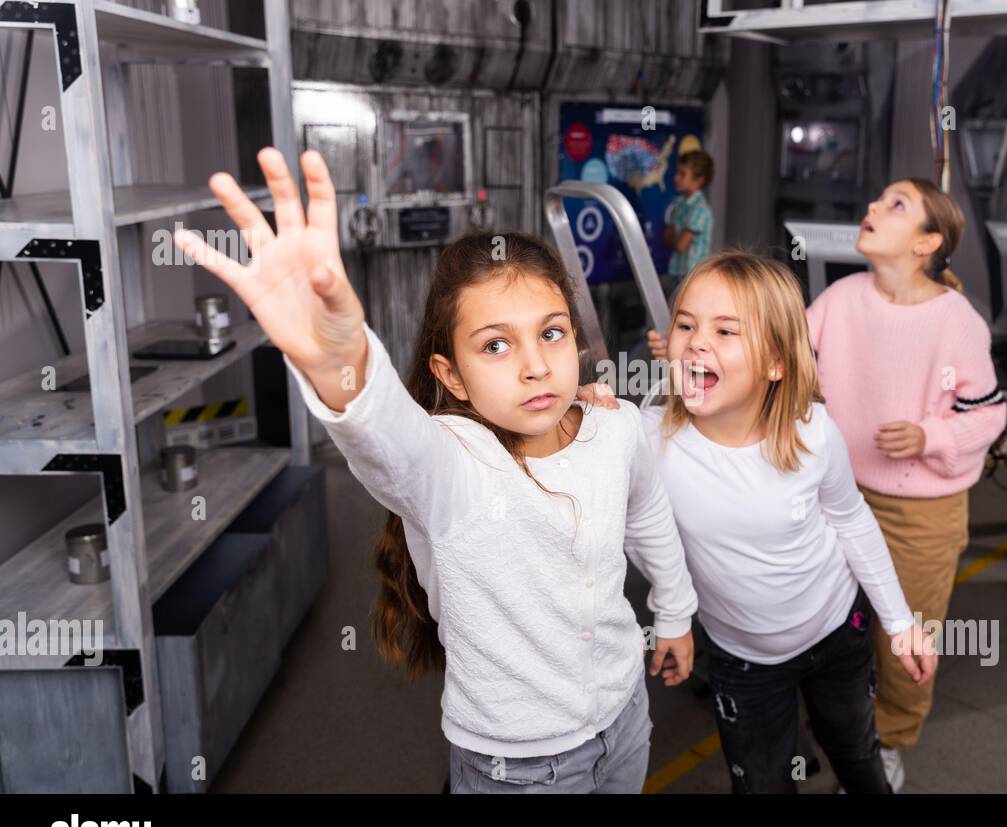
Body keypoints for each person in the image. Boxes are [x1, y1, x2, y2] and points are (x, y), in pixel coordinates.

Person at [176, 147, 698, 794]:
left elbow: (647, 512)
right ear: (450, 373)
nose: (534, 365)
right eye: (496, 345)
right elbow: (385, 434)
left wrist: (674, 613)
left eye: (552, 333)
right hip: (519, 767)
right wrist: (338, 361)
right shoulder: (448, 463)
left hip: (625, 720)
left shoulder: (614, 427)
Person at [584, 251, 934, 793]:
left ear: (775, 362)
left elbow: (852, 521)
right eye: (686, 324)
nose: (697, 341)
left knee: (855, 750)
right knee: (762, 784)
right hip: (740, 659)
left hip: (838, 631)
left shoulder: (812, 432)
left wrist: (899, 620)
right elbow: (584, 461)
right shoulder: (646, 437)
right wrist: (585, 414)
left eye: (726, 330)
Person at [662, 150, 715, 297]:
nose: (676, 177)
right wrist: (674, 238)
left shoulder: (700, 209)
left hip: (692, 276)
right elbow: (668, 237)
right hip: (676, 272)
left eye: (682, 174)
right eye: (677, 172)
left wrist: (672, 238)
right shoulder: (679, 204)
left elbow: (680, 244)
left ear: (699, 180)